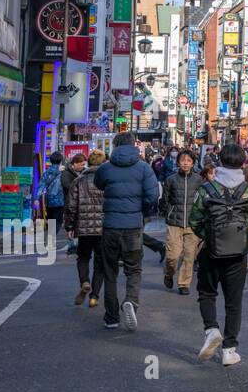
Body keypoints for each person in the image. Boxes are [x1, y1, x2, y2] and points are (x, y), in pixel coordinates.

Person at [190, 143, 248, 366]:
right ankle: (229, 349)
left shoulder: (207, 189)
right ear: (243, 163)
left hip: (211, 251)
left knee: (207, 293)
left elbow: (194, 220)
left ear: (219, 161)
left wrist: (209, 236)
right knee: (234, 301)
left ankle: (211, 329)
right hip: (238, 254)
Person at [94, 132, 161, 332]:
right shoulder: (143, 168)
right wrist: (143, 212)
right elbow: (153, 195)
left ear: (115, 145)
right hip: (133, 226)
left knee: (110, 271)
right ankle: (131, 300)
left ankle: (112, 316)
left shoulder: (106, 167)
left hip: (111, 226)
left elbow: (98, 184)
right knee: (133, 269)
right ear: (134, 145)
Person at [65, 151, 107, 308]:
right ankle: (94, 296)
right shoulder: (107, 181)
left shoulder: (78, 180)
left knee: (83, 257)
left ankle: (85, 281)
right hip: (103, 228)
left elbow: (71, 206)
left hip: (83, 227)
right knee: (100, 263)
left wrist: (70, 226)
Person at [161, 150, 204, 295]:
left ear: (193, 163)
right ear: (178, 162)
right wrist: (168, 212)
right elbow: (165, 200)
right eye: (183, 160)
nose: (185, 163)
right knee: (172, 256)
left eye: (188, 160)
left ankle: (184, 284)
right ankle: (168, 273)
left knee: (189, 255)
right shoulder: (171, 179)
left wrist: (201, 218)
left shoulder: (199, 180)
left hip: (192, 224)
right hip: (174, 223)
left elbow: (202, 200)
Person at [59, 152, 87, 255]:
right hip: (70, 202)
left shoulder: (84, 172)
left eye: (84, 164)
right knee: (70, 223)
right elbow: (66, 186)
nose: (82, 166)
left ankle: (79, 245)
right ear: (74, 163)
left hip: (82, 203)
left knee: (79, 224)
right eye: (81, 164)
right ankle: (72, 246)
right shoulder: (66, 173)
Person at [41, 152, 67, 242]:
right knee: (58, 221)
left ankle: (50, 237)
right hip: (60, 200)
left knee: (51, 221)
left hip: (48, 200)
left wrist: (36, 198)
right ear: (60, 161)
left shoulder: (46, 172)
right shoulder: (63, 171)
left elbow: (41, 185)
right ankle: (51, 238)